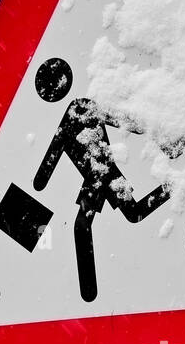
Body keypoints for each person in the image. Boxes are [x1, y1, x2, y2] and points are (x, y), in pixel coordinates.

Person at [32, 57, 167, 302]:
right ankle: (171, 187)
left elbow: (119, 120)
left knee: (115, 218)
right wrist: (41, 178)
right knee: (117, 217)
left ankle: (172, 187)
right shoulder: (75, 114)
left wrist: (41, 178)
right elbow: (54, 151)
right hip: (99, 175)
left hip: (103, 173)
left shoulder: (81, 108)